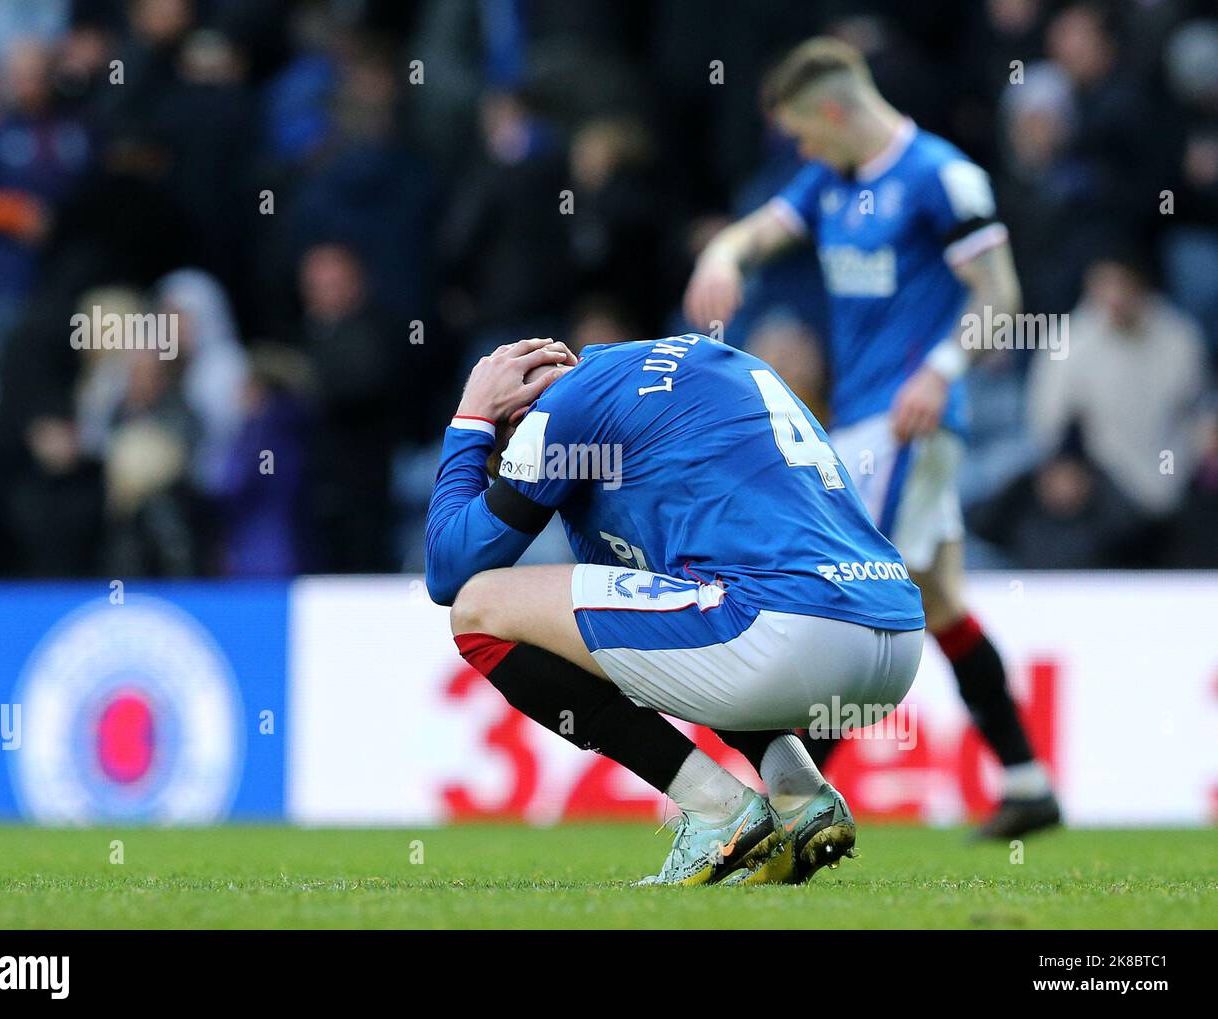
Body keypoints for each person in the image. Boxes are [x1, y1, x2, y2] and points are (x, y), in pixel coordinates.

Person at [683, 37, 1059, 839]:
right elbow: (756, 233)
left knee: (847, 598)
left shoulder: (941, 176)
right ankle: (1028, 783)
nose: (801, 151)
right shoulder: (832, 180)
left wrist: (941, 369)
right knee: (941, 603)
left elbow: (1001, 293)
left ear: (830, 110)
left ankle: (789, 801)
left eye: (803, 134)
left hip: (908, 423)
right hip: (857, 422)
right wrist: (721, 251)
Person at [426, 335, 924, 885]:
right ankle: (800, 793)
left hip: (787, 635)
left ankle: (716, 811)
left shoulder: (561, 410)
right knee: (680, 610)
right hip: (894, 636)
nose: (509, 483)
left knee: (478, 610)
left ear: (517, 417)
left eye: (500, 464)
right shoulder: (677, 373)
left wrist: (469, 423)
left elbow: (450, 572)